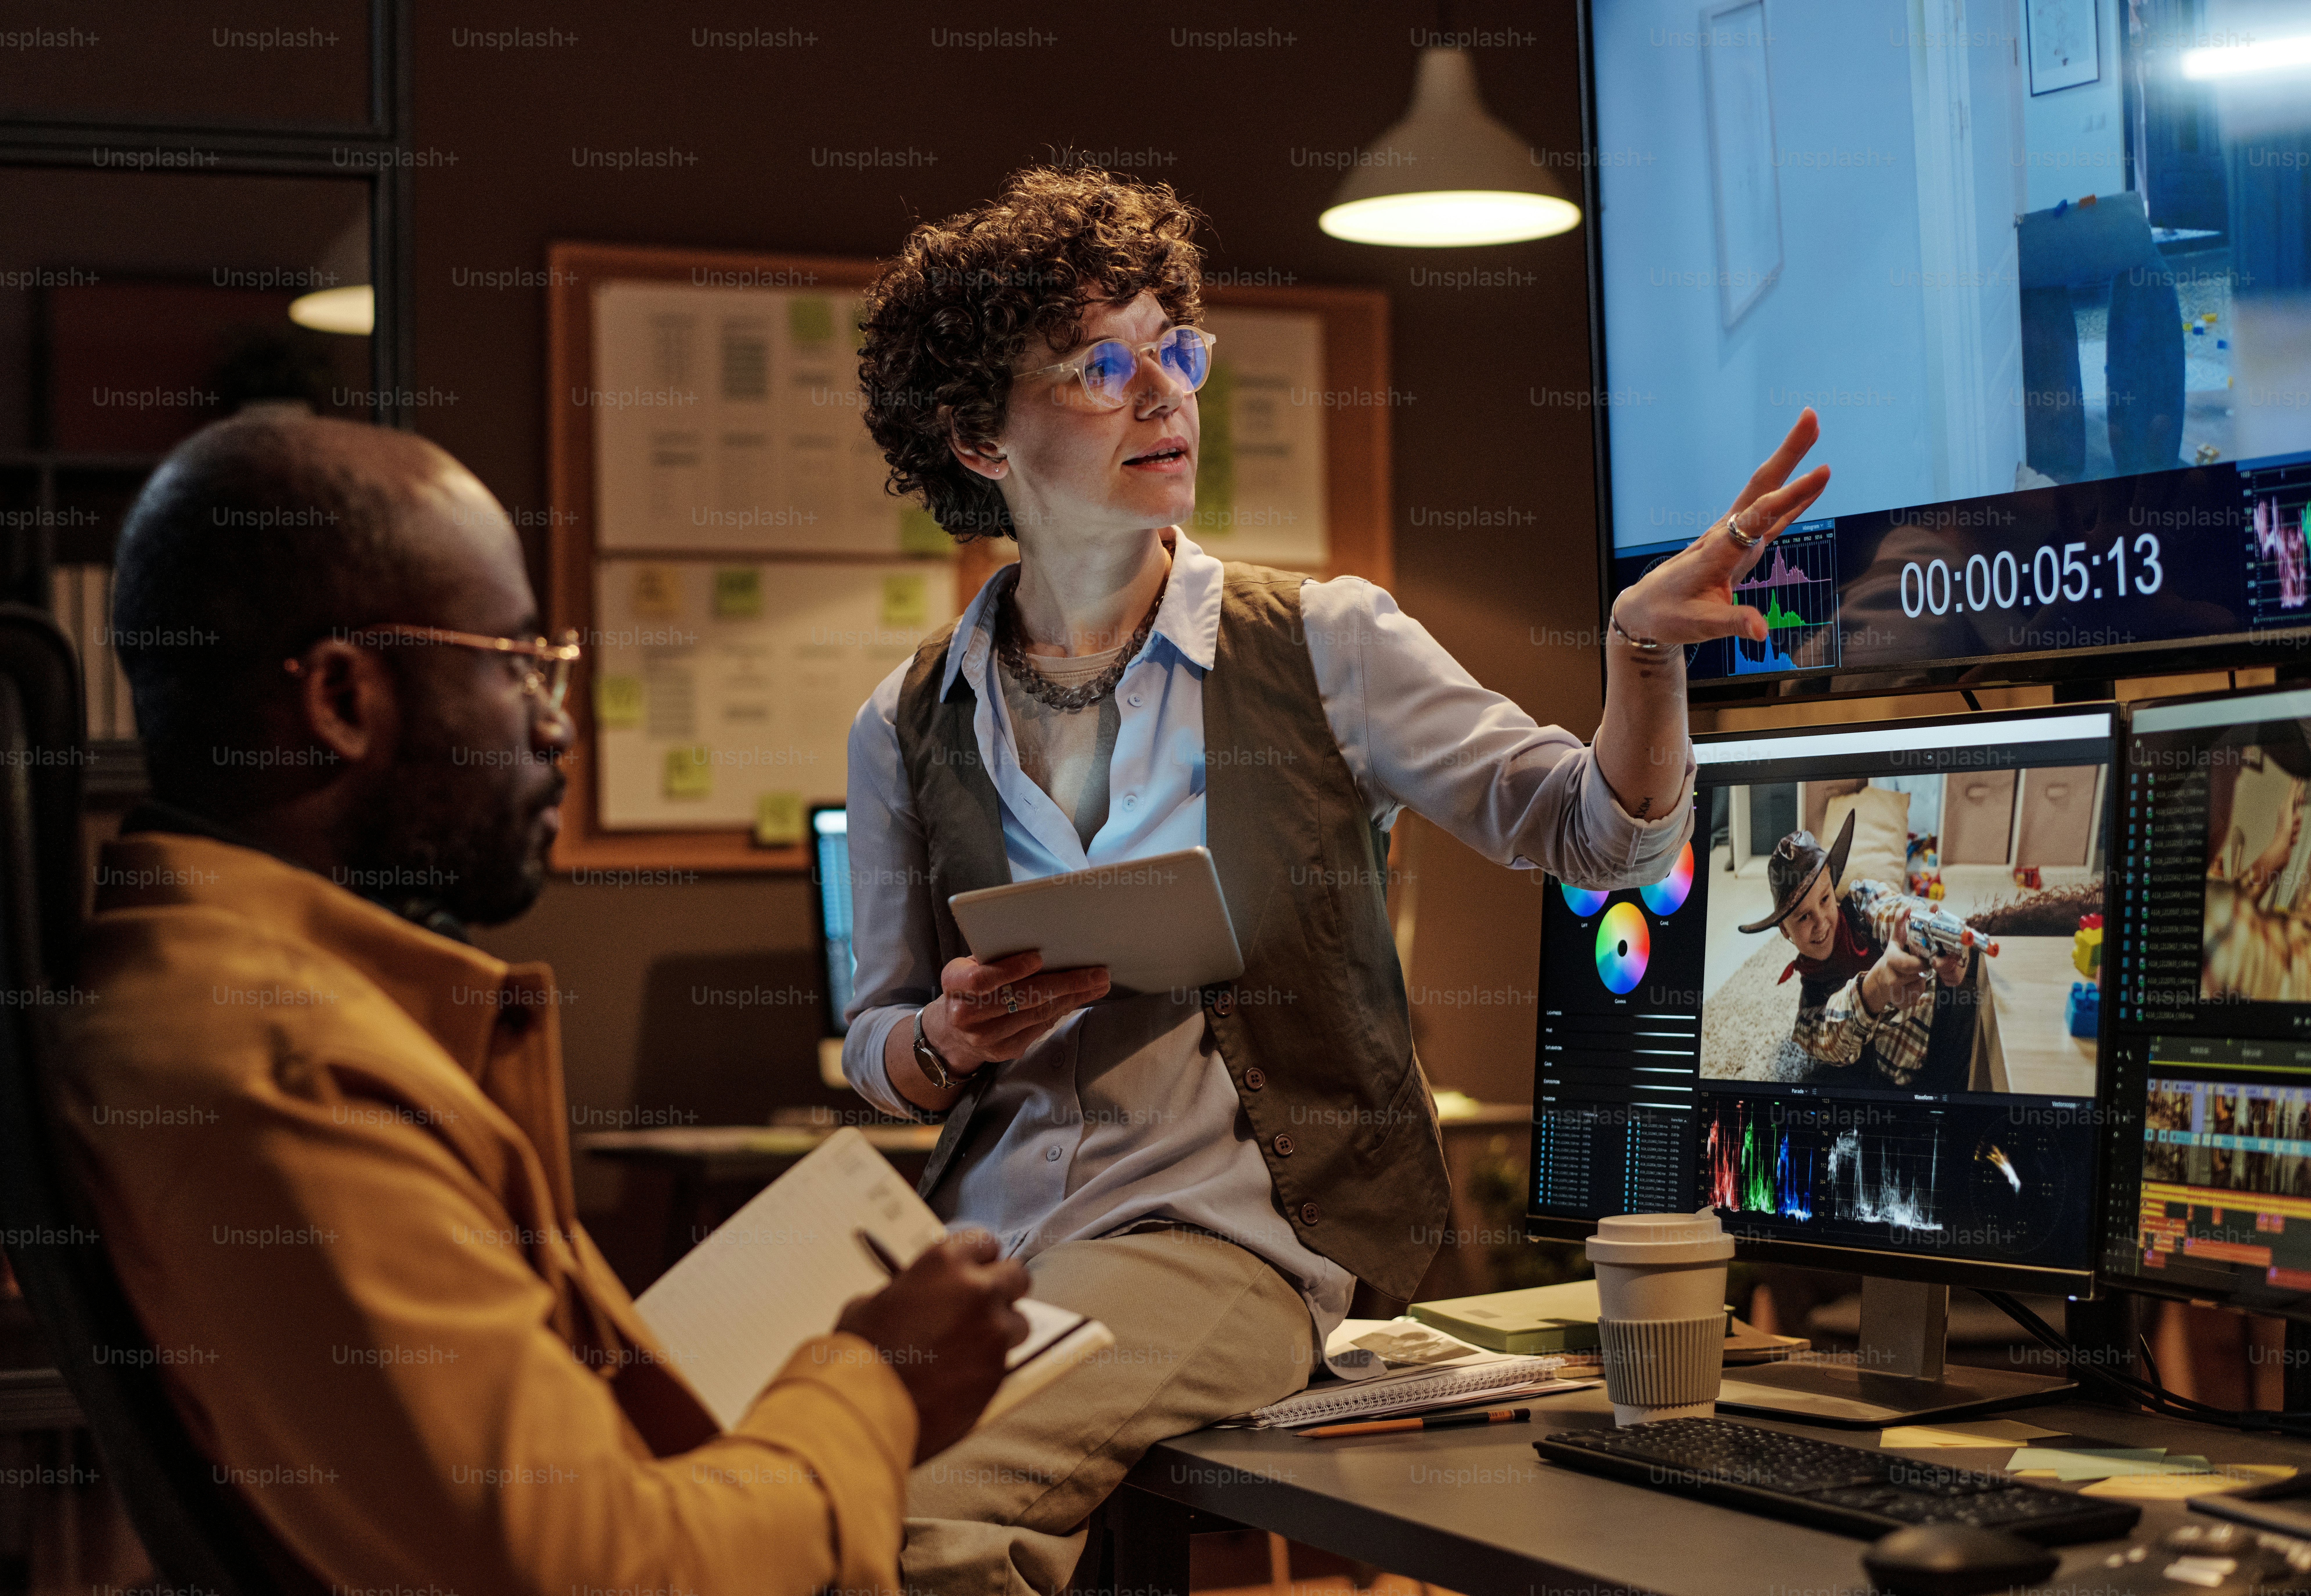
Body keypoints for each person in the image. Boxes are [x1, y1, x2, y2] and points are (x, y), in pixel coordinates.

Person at [843, 165, 1831, 1596]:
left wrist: (1638, 654)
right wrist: (941, 1035)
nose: (1163, 395)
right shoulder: (908, 711)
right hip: (983, 1238)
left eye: (1175, 353)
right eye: (1102, 366)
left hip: (1235, 1237)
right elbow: (875, 1044)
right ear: (976, 437)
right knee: (747, 1483)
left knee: (917, 1515)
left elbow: (1600, 837)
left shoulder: (1318, 639)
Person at [56, 413, 1031, 1590]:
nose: (556, 721)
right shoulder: (291, 1074)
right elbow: (587, 1571)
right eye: (518, 661)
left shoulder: (216, 992)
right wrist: (880, 1375)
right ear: (341, 700)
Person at [1740, 811, 1984, 1093]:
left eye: (1824, 899)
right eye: (1803, 918)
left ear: (1833, 887)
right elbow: (1832, 1038)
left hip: (1955, 991)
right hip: (1933, 1069)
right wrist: (1877, 987)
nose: (1821, 922)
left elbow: (1893, 910)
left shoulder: (1862, 900)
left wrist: (1936, 939)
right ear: (1785, 931)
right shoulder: (1811, 1011)